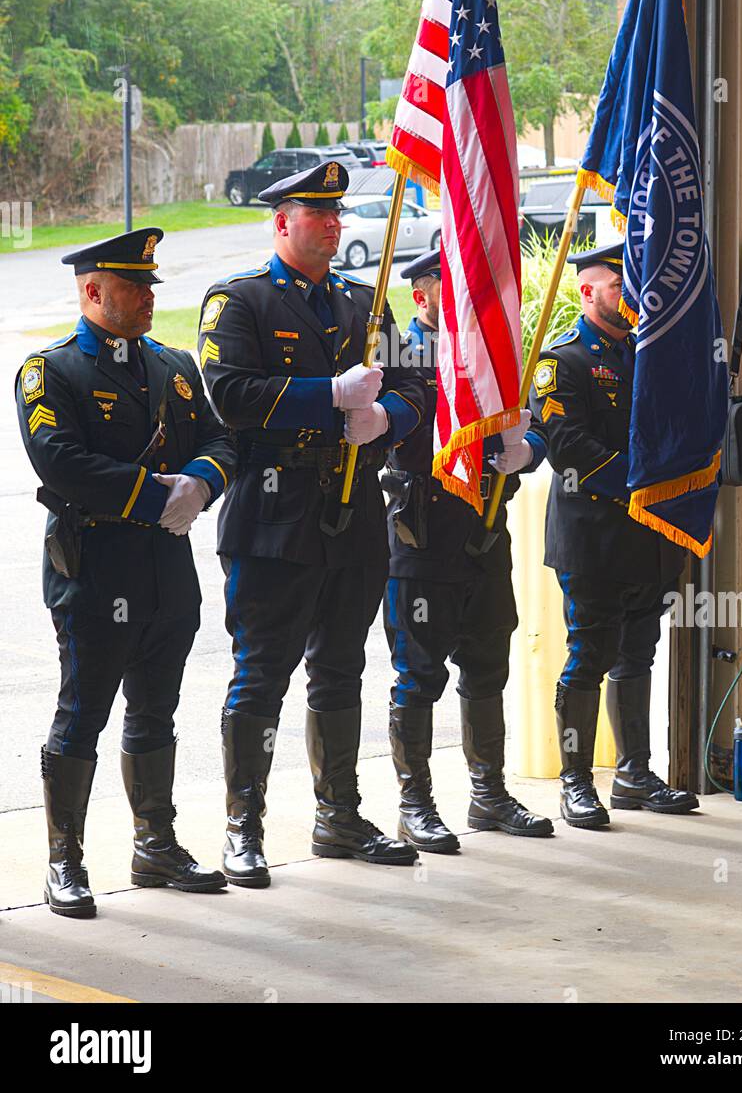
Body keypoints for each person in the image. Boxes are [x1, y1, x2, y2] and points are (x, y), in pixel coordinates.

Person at [198, 161, 427, 885]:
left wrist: (387, 417)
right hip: (274, 515)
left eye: (337, 214)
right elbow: (228, 394)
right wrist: (323, 393)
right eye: (315, 214)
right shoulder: (240, 302)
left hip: (353, 512)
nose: (331, 225)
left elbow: (416, 379)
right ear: (281, 222)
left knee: (341, 670)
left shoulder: (364, 303)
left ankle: (340, 816)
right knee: (261, 675)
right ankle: (244, 826)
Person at [16, 228, 236, 918]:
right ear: (92, 291)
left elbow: (221, 437)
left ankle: (155, 843)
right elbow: (58, 458)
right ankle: (65, 860)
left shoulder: (171, 364)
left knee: (156, 707)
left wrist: (201, 481)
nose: (148, 297)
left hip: (166, 567)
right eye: (134, 287)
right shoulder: (51, 371)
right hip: (97, 564)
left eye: (149, 286)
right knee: (84, 711)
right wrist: (154, 495)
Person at [381, 249, 554, 853]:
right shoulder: (398, 353)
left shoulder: (490, 356)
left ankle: (489, 794)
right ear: (421, 295)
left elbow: (537, 421)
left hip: (485, 531)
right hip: (423, 534)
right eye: (444, 289)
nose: (457, 301)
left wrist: (525, 447)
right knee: (419, 673)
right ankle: (415, 804)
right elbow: (391, 426)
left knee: (487, 665)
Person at [528, 242, 699, 830]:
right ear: (586, 291)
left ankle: (634, 773)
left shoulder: (651, 353)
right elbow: (568, 448)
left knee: (638, 653)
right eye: (616, 284)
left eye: (633, 284)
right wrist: (643, 484)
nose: (628, 294)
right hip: (594, 536)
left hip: (649, 535)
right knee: (589, 656)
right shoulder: (563, 362)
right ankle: (576, 782)